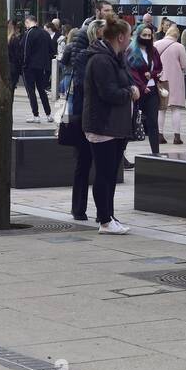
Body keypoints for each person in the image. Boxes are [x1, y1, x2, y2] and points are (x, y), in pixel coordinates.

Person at [83, 18, 137, 235]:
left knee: (110, 173)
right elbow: (109, 92)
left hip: (115, 125)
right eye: (130, 35)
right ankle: (104, 220)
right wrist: (130, 93)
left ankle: (109, 216)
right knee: (104, 173)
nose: (131, 40)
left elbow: (124, 81)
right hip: (103, 124)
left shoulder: (116, 57)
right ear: (121, 37)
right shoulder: (101, 61)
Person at [64, 19, 103, 220]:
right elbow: (81, 86)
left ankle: (91, 210)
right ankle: (79, 208)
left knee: (87, 163)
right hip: (84, 115)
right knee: (85, 161)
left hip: (86, 112)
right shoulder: (85, 57)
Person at [127, 22, 162, 156]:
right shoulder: (131, 50)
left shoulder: (153, 51)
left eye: (149, 35)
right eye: (144, 35)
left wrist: (152, 74)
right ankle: (122, 155)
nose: (147, 37)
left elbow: (159, 67)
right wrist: (141, 86)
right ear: (138, 35)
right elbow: (131, 71)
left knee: (153, 122)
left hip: (152, 89)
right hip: (137, 90)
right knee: (131, 121)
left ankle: (156, 152)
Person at [156, 25, 186, 145]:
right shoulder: (179, 46)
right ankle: (177, 137)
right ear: (177, 35)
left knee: (161, 109)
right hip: (175, 79)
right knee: (175, 109)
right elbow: (185, 64)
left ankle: (159, 135)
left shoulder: (156, 44)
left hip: (160, 79)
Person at [20, 14, 54, 123]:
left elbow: (25, 50)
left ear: (27, 22)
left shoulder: (29, 33)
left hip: (30, 67)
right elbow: (51, 51)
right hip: (43, 67)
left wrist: (24, 64)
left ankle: (36, 115)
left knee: (31, 91)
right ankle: (48, 114)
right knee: (42, 91)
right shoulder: (45, 33)